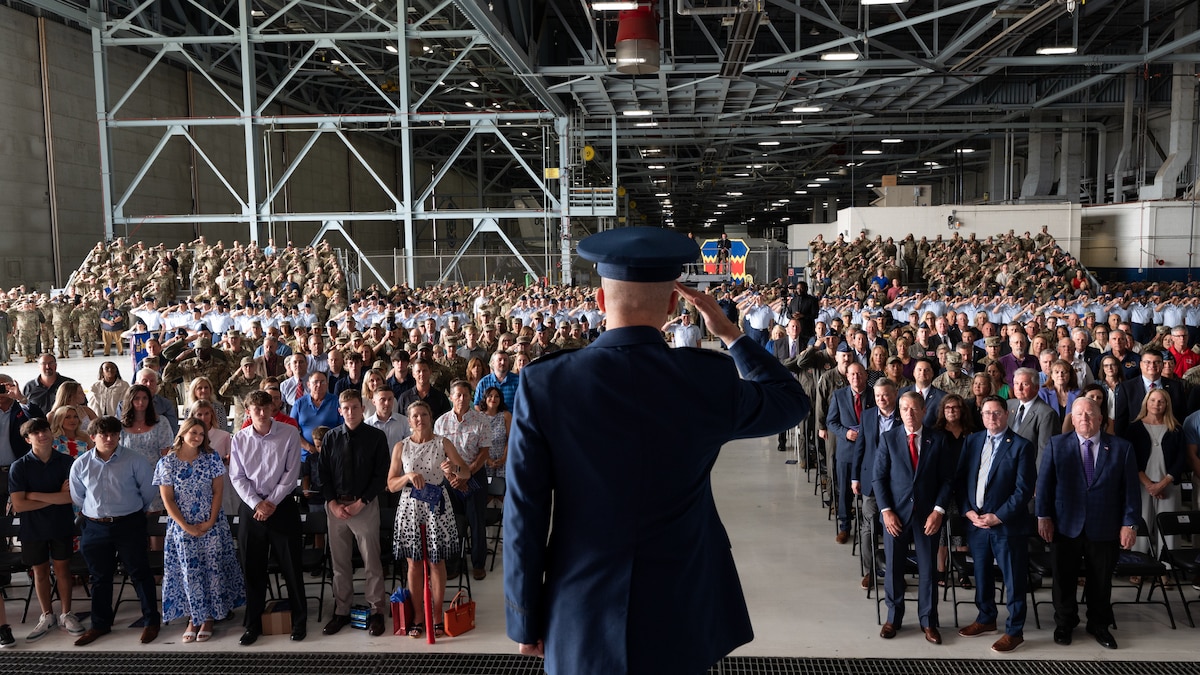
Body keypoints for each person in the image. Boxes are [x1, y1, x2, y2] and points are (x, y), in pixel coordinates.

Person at [504, 227, 809, 674]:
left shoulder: (545, 383)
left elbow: (525, 513)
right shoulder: (707, 380)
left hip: (581, 607)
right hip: (680, 607)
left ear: (601, 301)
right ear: (672, 305)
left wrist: (524, 622)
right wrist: (730, 333)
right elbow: (791, 403)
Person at [1036, 396, 1139, 650]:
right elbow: (1044, 485)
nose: (1085, 418)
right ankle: (1065, 623)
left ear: (1101, 419)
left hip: (1104, 526)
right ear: (1072, 418)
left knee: (1100, 580)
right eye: (1079, 414)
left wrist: (1130, 524)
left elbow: (1131, 491)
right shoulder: (1056, 445)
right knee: (1063, 578)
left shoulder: (1121, 448)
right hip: (1064, 525)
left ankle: (1099, 624)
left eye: (1090, 414)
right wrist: (1043, 516)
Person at [68, 416, 161, 646]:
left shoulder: (135, 460)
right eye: (103, 435)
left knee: (140, 572)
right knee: (100, 578)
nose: (109, 439)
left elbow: (148, 491)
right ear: (92, 437)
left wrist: (131, 511)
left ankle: (151, 621)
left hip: (129, 524)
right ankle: (100, 625)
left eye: (114, 434)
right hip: (95, 526)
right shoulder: (81, 464)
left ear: (120, 436)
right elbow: (78, 496)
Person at [954, 397, 1036, 653]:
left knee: (1013, 579)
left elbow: (1023, 491)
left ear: (1007, 414)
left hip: (1006, 525)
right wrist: (968, 511)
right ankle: (986, 618)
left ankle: (1014, 631)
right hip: (976, 523)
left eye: (997, 413)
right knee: (981, 575)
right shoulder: (972, 441)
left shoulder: (1022, 446)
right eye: (987, 413)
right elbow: (960, 481)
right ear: (981, 415)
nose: (992, 418)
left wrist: (998, 517)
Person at [873, 391, 956, 644]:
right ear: (899, 412)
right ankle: (893, 618)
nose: (909, 413)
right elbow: (879, 478)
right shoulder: (888, 439)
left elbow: (947, 479)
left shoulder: (939, 440)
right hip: (895, 515)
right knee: (894, 568)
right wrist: (886, 511)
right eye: (904, 409)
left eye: (914, 409)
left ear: (923, 411)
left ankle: (928, 621)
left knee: (928, 569)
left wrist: (938, 511)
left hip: (927, 515)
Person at [154, 417, 245, 643]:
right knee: (189, 572)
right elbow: (168, 500)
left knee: (212, 569)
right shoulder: (167, 463)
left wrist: (210, 521)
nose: (197, 437)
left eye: (201, 434)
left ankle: (209, 618)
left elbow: (218, 492)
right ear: (182, 433)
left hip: (212, 524)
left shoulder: (211, 458)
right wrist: (186, 527)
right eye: (193, 432)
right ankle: (194, 617)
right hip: (181, 526)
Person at [229, 389, 307, 645]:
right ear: (248, 412)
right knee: (253, 569)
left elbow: (291, 471)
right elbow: (237, 477)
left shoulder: (289, 433)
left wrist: (270, 502)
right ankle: (253, 625)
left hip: (282, 507)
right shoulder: (239, 439)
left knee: (292, 568)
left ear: (273, 409)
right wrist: (257, 504)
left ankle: (299, 621)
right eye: (256, 409)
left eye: (265, 408)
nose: (261, 413)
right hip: (252, 511)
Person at [387, 400, 468, 639]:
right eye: (415, 416)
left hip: (436, 507)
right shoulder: (401, 447)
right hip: (410, 507)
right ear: (409, 421)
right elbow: (391, 484)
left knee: (436, 562)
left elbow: (466, 472)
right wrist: (408, 476)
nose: (419, 419)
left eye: (423, 414)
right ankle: (418, 616)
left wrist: (453, 468)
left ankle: (436, 614)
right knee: (413, 563)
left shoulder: (443, 443)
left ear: (430, 416)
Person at [317, 390, 391, 637]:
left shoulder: (376, 437)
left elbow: (381, 475)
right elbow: (323, 475)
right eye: (345, 408)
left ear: (363, 408)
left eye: (354, 407)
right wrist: (332, 503)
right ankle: (341, 610)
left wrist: (362, 502)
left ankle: (377, 610)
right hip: (336, 508)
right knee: (339, 564)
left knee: (372, 562)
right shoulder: (330, 438)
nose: (350, 412)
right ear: (340, 411)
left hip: (365, 506)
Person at [8, 418, 85, 642]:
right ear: (27, 438)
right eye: (35, 432)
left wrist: (33, 494)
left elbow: (71, 497)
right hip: (33, 527)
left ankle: (66, 614)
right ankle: (47, 615)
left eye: (44, 430)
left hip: (60, 523)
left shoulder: (66, 461)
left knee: (63, 570)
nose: (42, 435)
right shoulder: (19, 466)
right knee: (40, 573)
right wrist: (54, 498)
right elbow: (19, 505)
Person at [435, 380, 491, 580]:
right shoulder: (441, 422)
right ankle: (453, 563)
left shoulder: (481, 420)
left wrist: (468, 473)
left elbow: (485, 451)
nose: (461, 399)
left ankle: (478, 563)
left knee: (476, 521)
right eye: (457, 395)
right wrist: (452, 477)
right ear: (450, 397)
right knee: (453, 522)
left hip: (475, 476)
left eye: (465, 395)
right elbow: (439, 453)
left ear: (470, 396)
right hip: (450, 479)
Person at [1125, 388, 1186, 555]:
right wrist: (1150, 485)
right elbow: (1131, 459)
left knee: (1168, 528)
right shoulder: (1134, 428)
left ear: (1167, 405)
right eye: (1153, 400)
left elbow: (1181, 459)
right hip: (1142, 485)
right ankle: (1139, 564)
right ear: (1146, 402)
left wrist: (1162, 483)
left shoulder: (1176, 429)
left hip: (1169, 486)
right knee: (1141, 524)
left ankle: (1167, 567)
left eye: (1161, 401)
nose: (1156, 404)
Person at [826, 362, 873, 544]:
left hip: (869, 452)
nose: (856, 378)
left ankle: (868, 526)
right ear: (847, 377)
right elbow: (831, 422)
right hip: (846, 451)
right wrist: (845, 433)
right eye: (852, 374)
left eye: (859, 374)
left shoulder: (873, 395)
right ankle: (845, 526)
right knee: (844, 491)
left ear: (865, 375)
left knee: (868, 491)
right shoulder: (839, 396)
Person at [118, 384, 174, 512]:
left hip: (155, 477)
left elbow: (167, 454)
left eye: (145, 398)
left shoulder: (161, 422)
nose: (141, 402)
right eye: (136, 398)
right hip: (129, 478)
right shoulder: (121, 426)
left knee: (155, 519)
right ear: (129, 400)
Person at [190, 400, 242, 523]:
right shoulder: (188, 436)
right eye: (199, 414)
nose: (203, 417)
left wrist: (226, 460)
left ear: (212, 414)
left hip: (220, 478)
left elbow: (231, 458)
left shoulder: (223, 435)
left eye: (207, 413)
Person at [1113, 350, 1185, 438]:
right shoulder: (1126, 388)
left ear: (1162, 365)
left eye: (1157, 362)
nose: (1152, 365)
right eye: (1147, 362)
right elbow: (1121, 421)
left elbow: (1181, 416)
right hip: (1136, 440)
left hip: (1168, 438)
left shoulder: (1176, 387)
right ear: (1141, 365)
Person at [1007, 368, 1058, 467]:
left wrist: (1038, 481)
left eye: (1025, 384)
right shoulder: (1008, 405)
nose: (1019, 388)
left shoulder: (1047, 414)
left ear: (1036, 387)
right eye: (1016, 383)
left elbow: (1044, 453)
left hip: (1027, 471)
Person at [479, 386, 511, 491]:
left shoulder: (506, 415)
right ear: (485, 398)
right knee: (486, 494)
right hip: (483, 460)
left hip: (503, 459)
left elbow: (510, 439)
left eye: (497, 396)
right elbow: (476, 442)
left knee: (503, 492)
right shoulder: (478, 417)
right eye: (490, 396)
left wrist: (503, 459)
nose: (493, 399)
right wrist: (488, 460)